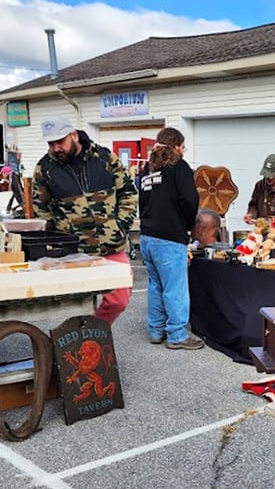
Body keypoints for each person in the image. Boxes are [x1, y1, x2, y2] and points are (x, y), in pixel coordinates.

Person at [32, 116, 137, 324]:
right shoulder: (44, 169)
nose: (55, 148)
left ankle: (93, 331)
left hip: (111, 244)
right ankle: (78, 343)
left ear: (73, 135)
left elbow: (127, 192)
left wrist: (121, 225)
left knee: (119, 300)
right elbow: (41, 210)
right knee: (75, 305)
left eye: (60, 142)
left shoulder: (105, 158)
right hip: (73, 249)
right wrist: (57, 238)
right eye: (50, 143)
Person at [138, 127, 203, 350]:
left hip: (146, 236)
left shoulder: (147, 168)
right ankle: (177, 335)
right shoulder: (179, 167)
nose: (184, 152)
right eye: (183, 147)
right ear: (175, 146)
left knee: (156, 285)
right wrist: (186, 225)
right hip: (169, 238)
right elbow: (190, 199)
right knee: (175, 288)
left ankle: (156, 330)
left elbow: (142, 202)